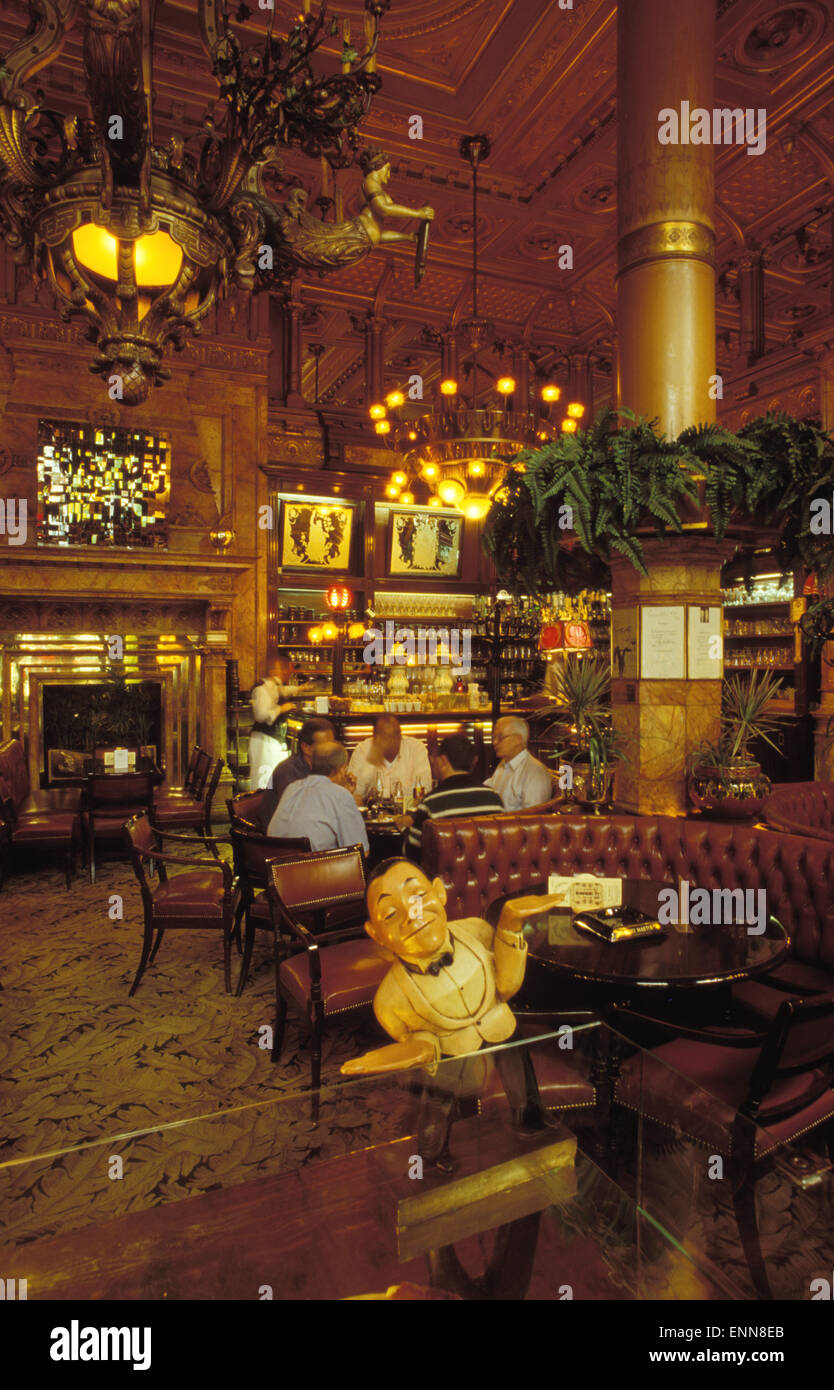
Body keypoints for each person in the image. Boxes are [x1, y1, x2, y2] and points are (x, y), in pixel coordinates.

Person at [340, 859, 564, 1164]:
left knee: (520, 1073)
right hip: (449, 1047)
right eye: (391, 914)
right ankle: (432, 1153)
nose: (412, 915)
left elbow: (506, 986)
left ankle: (530, 1119)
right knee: (437, 1101)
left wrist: (510, 926)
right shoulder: (389, 999)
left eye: (418, 897)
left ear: (439, 892)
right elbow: (413, 1039)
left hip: (500, 1023)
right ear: (375, 933)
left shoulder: (478, 931)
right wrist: (416, 1050)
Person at [399, 734, 504, 861]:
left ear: (443, 760)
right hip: (488, 878)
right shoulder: (494, 799)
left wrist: (405, 828)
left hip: (444, 880)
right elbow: (502, 847)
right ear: (474, 761)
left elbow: (412, 854)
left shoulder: (431, 803)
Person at [267, 742, 369, 855]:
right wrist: (345, 795)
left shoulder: (292, 788)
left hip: (275, 868)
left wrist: (344, 793)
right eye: (345, 767)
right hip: (314, 869)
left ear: (312, 765)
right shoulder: (340, 796)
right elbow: (361, 852)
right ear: (340, 769)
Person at [348, 713, 432, 805]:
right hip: (373, 814)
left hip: (407, 814)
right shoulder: (362, 750)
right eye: (385, 736)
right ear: (376, 737)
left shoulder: (416, 749)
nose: (392, 740)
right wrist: (371, 762)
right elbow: (354, 794)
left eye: (396, 734)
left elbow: (424, 792)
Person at [484, 716, 553, 811]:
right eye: (494, 737)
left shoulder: (535, 773)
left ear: (518, 739)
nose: (495, 742)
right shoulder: (504, 764)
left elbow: (532, 818)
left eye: (500, 737)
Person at [271, 716, 335, 799]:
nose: (331, 750)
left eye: (333, 745)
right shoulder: (288, 771)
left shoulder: (326, 767)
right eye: (325, 746)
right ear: (306, 748)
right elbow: (301, 807)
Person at [248, 679, 286, 791]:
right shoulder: (261, 691)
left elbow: (286, 690)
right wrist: (282, 709)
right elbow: (260, 715)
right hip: (264, 741)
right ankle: (262, 807)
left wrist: (302, 688)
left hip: (271, 740)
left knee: (270, 781)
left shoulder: (273, 689)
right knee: (264, 782)